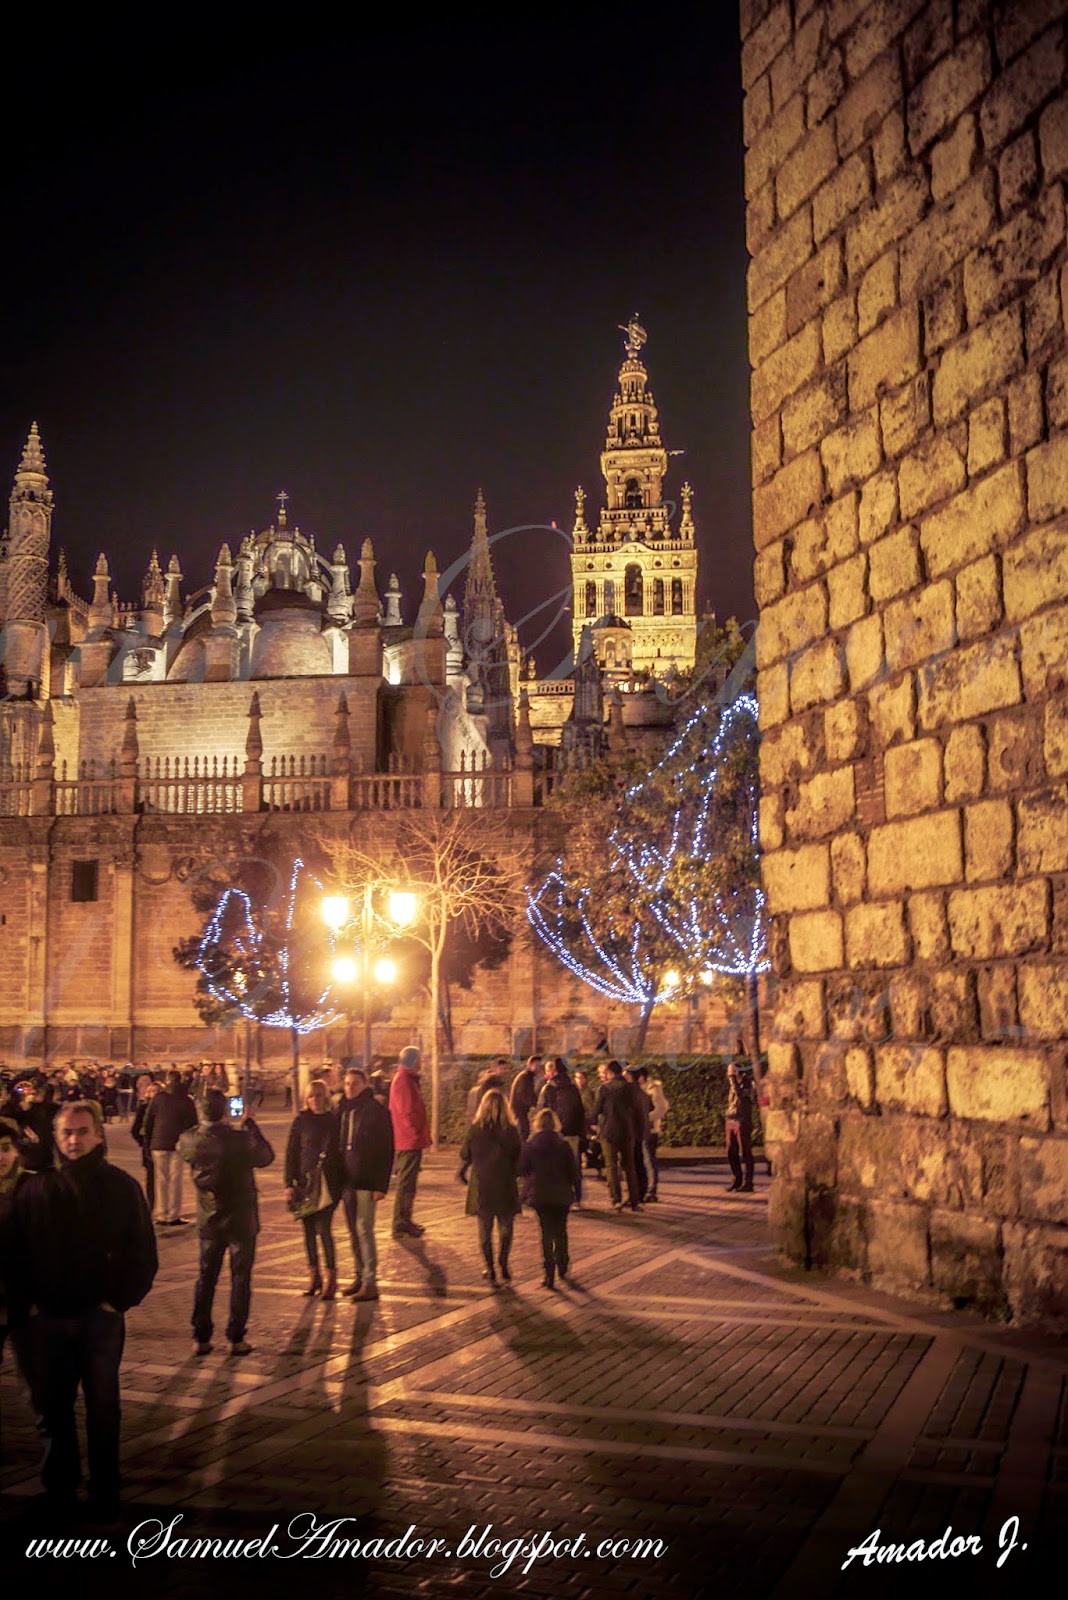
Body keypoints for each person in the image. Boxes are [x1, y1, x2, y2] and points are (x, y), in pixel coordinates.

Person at [7, 1099, 157, 1516]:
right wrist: (30, 1306)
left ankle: (105, 1486)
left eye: (82, 1131)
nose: (74, 1140)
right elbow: (15, 1254)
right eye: (67, 1133)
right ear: (55, 1137)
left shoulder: (121, 1186)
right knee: (53, 1407)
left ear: (98, 1135)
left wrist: (117, 1301)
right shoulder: (35, 1188)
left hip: (99, 1318)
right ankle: (60, 1484)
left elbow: (142, 1251)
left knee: (103, 1406)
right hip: (48, 1318)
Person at [179, 1088, 274, 1356]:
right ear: (223, 1111)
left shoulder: (189, 1139)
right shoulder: (240, 1139)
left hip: (209, 1216)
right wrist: (249, 1123)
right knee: (240, 1278)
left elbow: (187, 1149)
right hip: (241, 1216)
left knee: (206, 1277)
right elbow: (266, 1157)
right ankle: (236, 1337)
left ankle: (201, 1336)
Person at [336, 1065, 394, 1301]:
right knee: (352, 1230)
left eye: (355, 1084)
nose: (350, 1088)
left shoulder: (376, 1111)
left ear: (365, 1085)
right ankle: (359, 1275)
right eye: (347, 1083)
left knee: (364, 1229)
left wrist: (381, 1185)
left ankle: (370, 1282)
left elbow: (386, 1150)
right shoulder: (341, 1109)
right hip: (346, 1179)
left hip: (367, 1179)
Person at [285, 1079, 343, 1298]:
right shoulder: (301, 1121)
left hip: (327, 1184)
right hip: (304, 1184)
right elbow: (292, 1153)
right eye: (311, 1096)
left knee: (324, 1231)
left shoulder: (332, 1121)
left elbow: (339, 1154)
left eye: (319, 1096)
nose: (315, 1100)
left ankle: (331, 1279)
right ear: (306, 1099)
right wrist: (288, 1183)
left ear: (325, 1098)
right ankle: (314, 1276)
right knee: (308, 1233)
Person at [459, 1088, 522, 1286]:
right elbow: (519, 1157)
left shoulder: (475, 1129)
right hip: (505, 1182)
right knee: (506, 1226)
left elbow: (464, 1154)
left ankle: (490, 1267)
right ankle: (503, 1262)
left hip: (481, 1183)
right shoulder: (511, 1131)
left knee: (485, 1230)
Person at [518, 1107, 580, 1290]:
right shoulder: (564, 1145)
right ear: (555, 1124)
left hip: (540, 1193)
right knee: (561, 1229)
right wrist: (576, 1192)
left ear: (537, 1123)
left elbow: (522, 1168)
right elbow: (573, 1172)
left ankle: (548, 1272)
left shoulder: (530, 1145)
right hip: (561, 1193)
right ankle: (563, 1264)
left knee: (545, 1232)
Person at [141, 1068, 197, 1225]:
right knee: (175, 1180)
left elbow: (148, 1120)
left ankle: (160, 1214)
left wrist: (148, 1141)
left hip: (158, 1144)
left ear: (168, 1080)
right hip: (176, 1144)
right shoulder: (187, 1100)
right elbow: (193, 1123)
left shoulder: (159, 1098)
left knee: (160, 1180)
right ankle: (172, 1215)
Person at [389, 1045, 432, 1238]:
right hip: (408, 1140)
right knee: (406, 1183)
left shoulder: (406, 1079)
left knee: (409, 1183)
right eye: (420, 1058)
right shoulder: (404, 1081)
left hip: (410, 1139)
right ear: (414, 1060)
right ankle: (400, 1222)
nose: (422, 1062)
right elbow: (407, 1112)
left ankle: (405, 1219)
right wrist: (415, 1132)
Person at [593, 1059, 641, 1211]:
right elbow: (636, 1109)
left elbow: (596, 1111)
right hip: (627, 1130)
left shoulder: (604, 1089)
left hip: (609, 1131)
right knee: (629, 1166)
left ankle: (616, 1199)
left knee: (611, 1166)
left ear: (609, 1072)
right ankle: (635, 1200)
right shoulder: (630, 1088)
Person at [537, 1058, 586, 1203]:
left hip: (554, 1133)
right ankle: (577, 1197)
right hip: (572, 1132)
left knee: (554, 1166)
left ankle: (557, 1196)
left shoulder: (548, 1088)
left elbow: (542, 1111)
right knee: (574, 1165)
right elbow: (580, 1111)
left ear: (553, 1071)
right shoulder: (573, 1088)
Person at [725, 1043, 756, 1193]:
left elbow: (742, 1097)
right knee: (731, 1152)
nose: (729, 1073)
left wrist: (733, 1080)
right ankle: (736, 1180)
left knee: (746, 1152)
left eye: (732, 1071)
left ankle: (748, 1182)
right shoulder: (732, 1085)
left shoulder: (746, 1083)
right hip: (731, 1119)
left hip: (742, 1120)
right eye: (729, 1071)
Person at [636, 1065, 669, 1200]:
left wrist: (646, 1117)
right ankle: (644, 1188)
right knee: (642, 1159)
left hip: (650, 1129)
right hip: (639, 1129)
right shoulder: (637, 1089)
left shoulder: (654, 1089)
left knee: (649, 1159)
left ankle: (651, 1190)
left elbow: (661, 1108)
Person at [626, 1066, 653, 1204]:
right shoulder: (642, 1093)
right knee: (640, 1162)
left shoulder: (630, 1093)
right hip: (642, 1131)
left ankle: (636, 1194)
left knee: (634, 1164)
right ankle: (641, 1192)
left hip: (634, 1132)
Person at [508, 1056, 541, 1141]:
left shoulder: (526, 1077)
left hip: (519, 1112)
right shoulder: (525, 1077)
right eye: (536, 1065)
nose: (538, 1068)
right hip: (519, 1113)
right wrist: (535, 1104)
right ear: (529, 1065)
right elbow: (523, 1095)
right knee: (523, 1134)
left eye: (539, 1065)